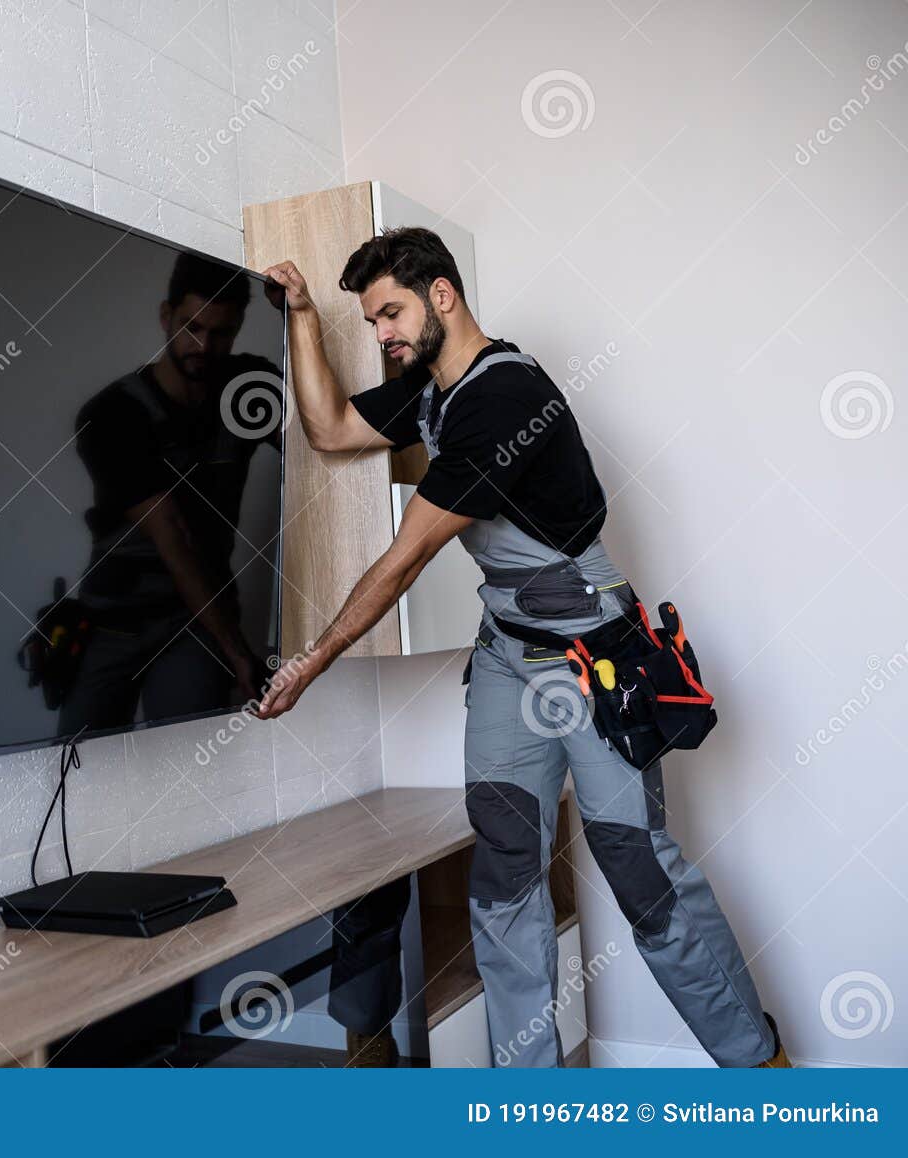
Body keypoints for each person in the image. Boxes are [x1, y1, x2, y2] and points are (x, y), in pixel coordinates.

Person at [255, 228, 791, 1068]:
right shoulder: (430, 390)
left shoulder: (503, 400)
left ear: (442, 296)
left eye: (390, 312)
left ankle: (760, 1070)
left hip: (592, 658)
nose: (383, 333)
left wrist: (310, 661)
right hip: (509, 653)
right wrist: (300, 318)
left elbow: (403, 562)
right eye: (370, 321)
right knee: (504, 873)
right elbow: (327, 429)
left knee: (639, 871)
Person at [59, 254, 275, 734]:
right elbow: (173, 536)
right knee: (78, 762)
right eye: (191, 326)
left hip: (197, 622)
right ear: (166, 316)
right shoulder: (113, 414)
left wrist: (294, 318)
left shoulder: (247, 387)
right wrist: (237, 650)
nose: (203, 344)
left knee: (193, 757)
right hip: (113, 620)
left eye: (221, 332)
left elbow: (324, 435)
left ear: (238, 327)